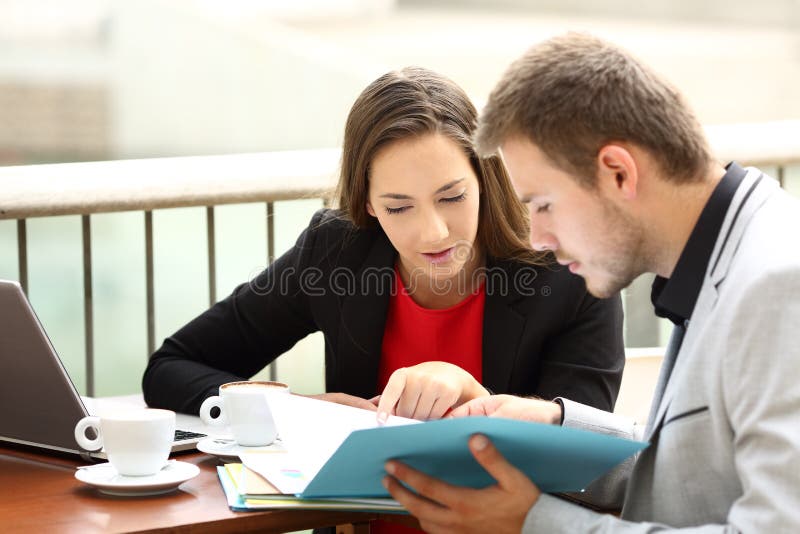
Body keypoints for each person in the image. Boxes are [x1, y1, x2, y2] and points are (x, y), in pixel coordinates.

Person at [381, 34, 800, 533]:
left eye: (542, 203)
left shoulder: (777, 286)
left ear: (618, 173)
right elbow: (698, 464)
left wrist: (530, 524)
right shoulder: (738, 248)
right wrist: (555, 430)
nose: (537, 235)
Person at [142, 67, 624, 424]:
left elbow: (588, 449)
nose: (433, 232)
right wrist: (288, 410)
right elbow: (171, 368)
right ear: (367, 204)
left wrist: (474, 395)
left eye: (452, 197)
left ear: (484, 178)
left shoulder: (572, 272)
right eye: (398, 207)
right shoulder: (336, 254)